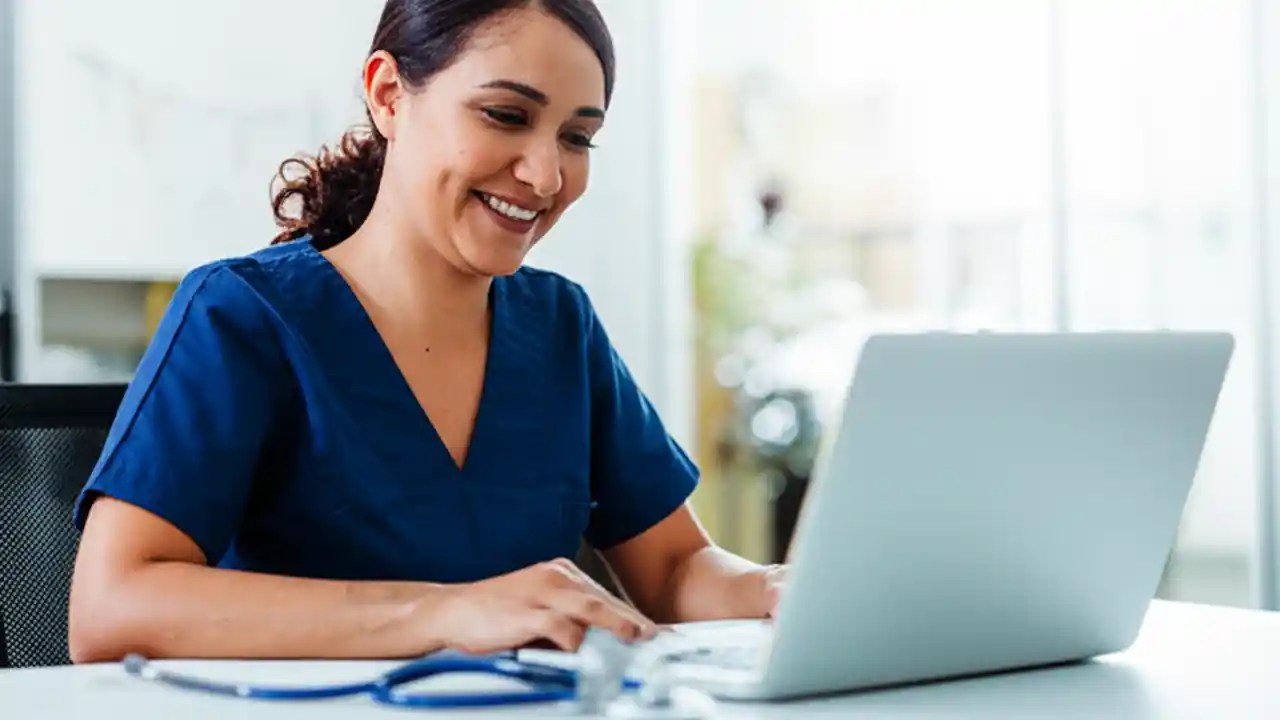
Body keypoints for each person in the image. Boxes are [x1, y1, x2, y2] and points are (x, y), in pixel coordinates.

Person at [67, 0, 785, 664]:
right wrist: (448, 614)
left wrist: (783, 589)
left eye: (577, 137)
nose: (544, 175)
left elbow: (674, 569)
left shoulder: (561, 327)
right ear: (388, 95)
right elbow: (111, 608)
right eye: (505, 114)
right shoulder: (244, 316)